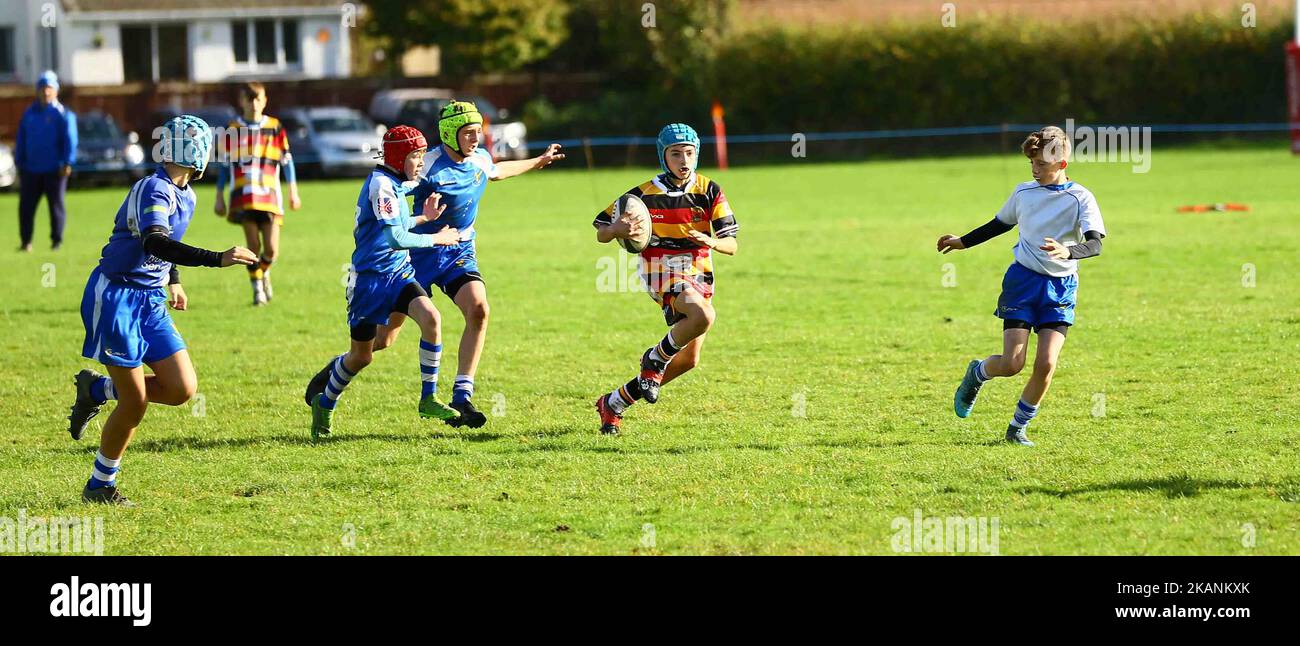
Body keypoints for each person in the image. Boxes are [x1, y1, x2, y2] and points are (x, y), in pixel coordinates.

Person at [65, 116, 257, 506]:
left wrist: (174, 280)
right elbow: (155, 241)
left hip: (150, 300)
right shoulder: (155, 188)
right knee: (134, 403)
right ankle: (100, 484)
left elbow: (167, 244)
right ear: (194, 150)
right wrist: (216, 259)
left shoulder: (186, 193)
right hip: (117, 296)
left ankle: (97, 388)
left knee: (181, 388)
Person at [367, 100, 564, 427]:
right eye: (470, 133)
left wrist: (538, 161)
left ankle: (462, 395)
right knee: (384, 339)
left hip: (457, 251)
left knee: (479, 309)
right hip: (416, 254)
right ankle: (344, 365)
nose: (476, 139)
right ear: (449, 133)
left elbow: (498, 170)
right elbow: (392, 192)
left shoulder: (479, 159)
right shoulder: (428, 164)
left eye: (479, 132)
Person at [938, 126, 1107, 446]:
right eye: (1032, 163)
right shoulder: (1023, 193)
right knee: (1012, 363)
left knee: (1046, 364)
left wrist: (1068, 251)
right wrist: (962, 242)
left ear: (1061, 164)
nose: (1035, 169)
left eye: (1041, 164)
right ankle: (978, 373)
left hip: (1061, 288)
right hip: (1023, 281)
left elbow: (1095, 244)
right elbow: (999, 224)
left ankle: (1017, 429)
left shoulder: (1081, 197)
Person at [303, 125, 462, 439]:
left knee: (431, 318)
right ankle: (326, 402)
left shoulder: (394, 183)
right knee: (362, 356)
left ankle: (428, 398)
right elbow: (395, 237)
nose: (420, 162)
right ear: (400, 156)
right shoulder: (381, 185)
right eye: (416, 156)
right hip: (370, 282)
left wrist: (423, 219)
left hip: (399, 274)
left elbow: (398, 224)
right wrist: (437, 237)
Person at [592, 123, 739, 435]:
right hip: (659, 269)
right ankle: (654, 357)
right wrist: (616, 230)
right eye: (676, 154)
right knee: (702, 315)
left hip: (700, 271)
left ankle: (615, 402)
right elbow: (602, 230)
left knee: (688, 360)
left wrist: (711, 242)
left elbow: (732, 244)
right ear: (663, 157)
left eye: (689, 153)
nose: (684, 160)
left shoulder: (709, 190)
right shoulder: (642, 195)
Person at [214, 81, 302, 305]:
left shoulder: (274, 126)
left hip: (270, 197)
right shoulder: (232, 130)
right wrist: (219, 196)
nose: (254, 103)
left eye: (258, 99)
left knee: (271, 250)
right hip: (243, 196)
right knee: (253, 246)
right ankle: (257, 290)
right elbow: (224, 166)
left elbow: (287, 162)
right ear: (241, 101)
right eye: (249, 99)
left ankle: (263, 272)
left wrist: (293, 191)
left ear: (265, 101)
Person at [15, 70, 77, 252]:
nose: (45, 92)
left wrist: (67, 162)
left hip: (55, 170)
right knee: (26, 208)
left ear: (55, 90)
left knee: (56, 207)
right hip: (31, 169)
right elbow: (21, 138)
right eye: (42, 88)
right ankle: (26, 242)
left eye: (49, 88)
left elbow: (70, 140)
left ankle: (56, 242)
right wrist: (20, 162)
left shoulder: (63, 114)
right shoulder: (29, 113)